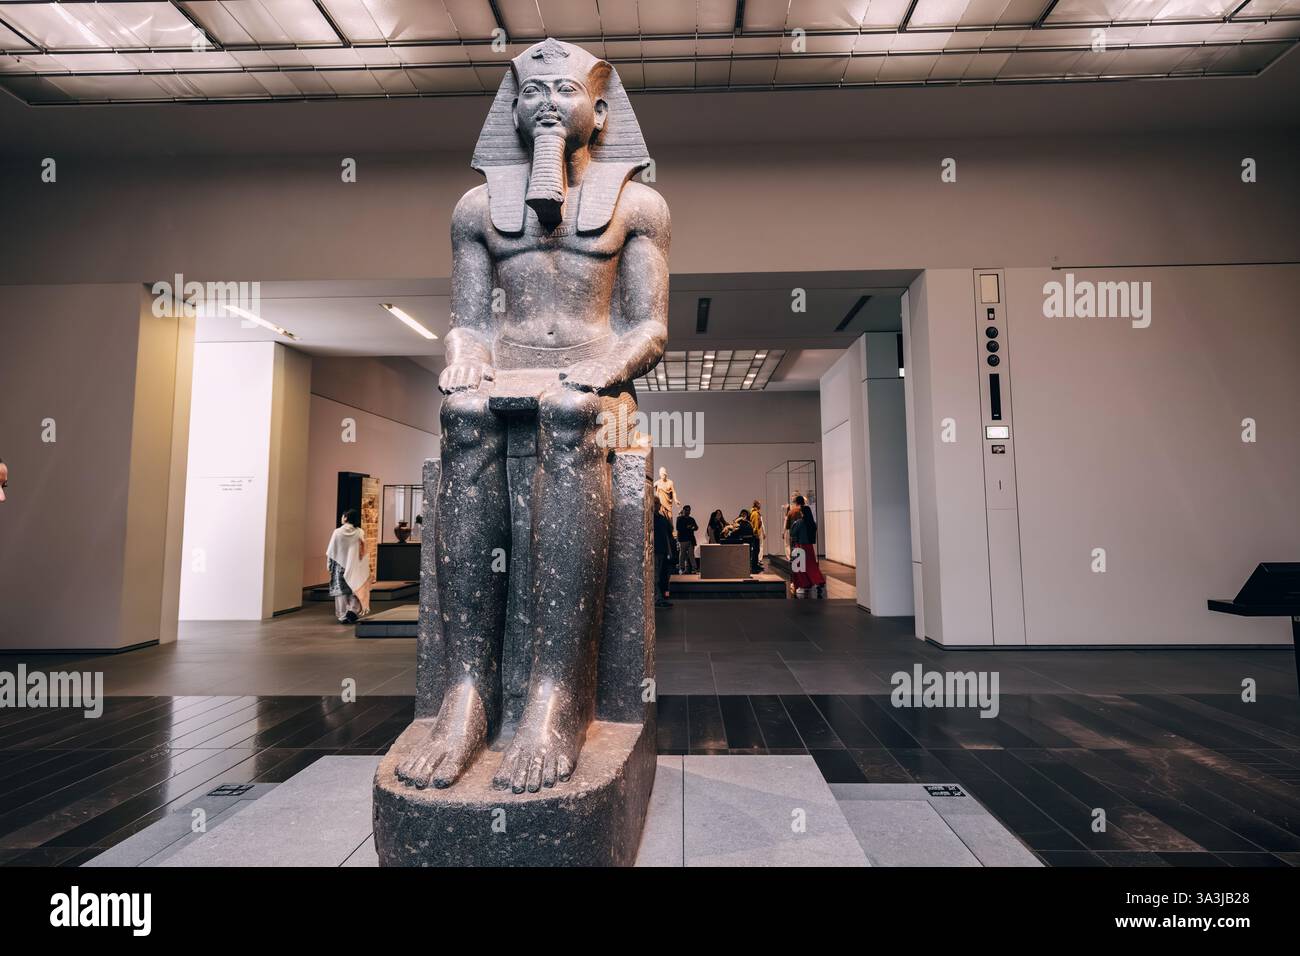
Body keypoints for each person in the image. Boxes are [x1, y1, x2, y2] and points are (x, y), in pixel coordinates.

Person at [326, 509, 372, 624]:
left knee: (341, 591)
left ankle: (342, 615)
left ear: (346, 518)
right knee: (354, 588)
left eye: (343, 516)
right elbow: (362, 550)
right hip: (354, 565)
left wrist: (329, 565)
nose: (342, 518)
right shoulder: (359, 532)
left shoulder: (337, 532)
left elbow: (332, 551)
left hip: (339, 565)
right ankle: (353, 610)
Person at [789, 504, 826, 598]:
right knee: (811, 566)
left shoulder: (800, 522)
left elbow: (793, 533)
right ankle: (818, 581)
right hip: (809, 546)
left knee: (800, 567)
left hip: (800, 545)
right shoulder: (812, 523)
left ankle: (804, 584)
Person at [653, 501, 675, 607]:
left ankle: (660, 597)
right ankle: (658, 598)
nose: (657, 505)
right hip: (654, 550)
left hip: (661, 550)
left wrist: (669, 550)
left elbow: (667, 535)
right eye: (655, 503)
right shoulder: (650, 518)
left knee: (661, 575)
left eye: (657, 503)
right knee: (656, 575)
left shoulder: (662, 519)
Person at [675, 504, 698, 574]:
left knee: (691, 555)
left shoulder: (691, 519)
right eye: (686, 510)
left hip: (691, 539)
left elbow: (696, 527)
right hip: (683, 539)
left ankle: (694, 568)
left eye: (689, 510)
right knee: (682, 554)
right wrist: (688, 527)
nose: (688, 511)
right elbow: (678, 528)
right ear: (683, 510)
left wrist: (692, 527)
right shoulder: (679, 519)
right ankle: (681, 568)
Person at [749, 499, 765, 567]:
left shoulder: (754, 512)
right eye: (759, 504)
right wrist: (756, 534)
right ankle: (755, 565)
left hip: (756, 533)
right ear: (757, 505)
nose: (760, 505)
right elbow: (755, 524)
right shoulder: (755, 513)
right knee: (756, 550)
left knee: (756, 549)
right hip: (756, 534)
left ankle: (755, 564)